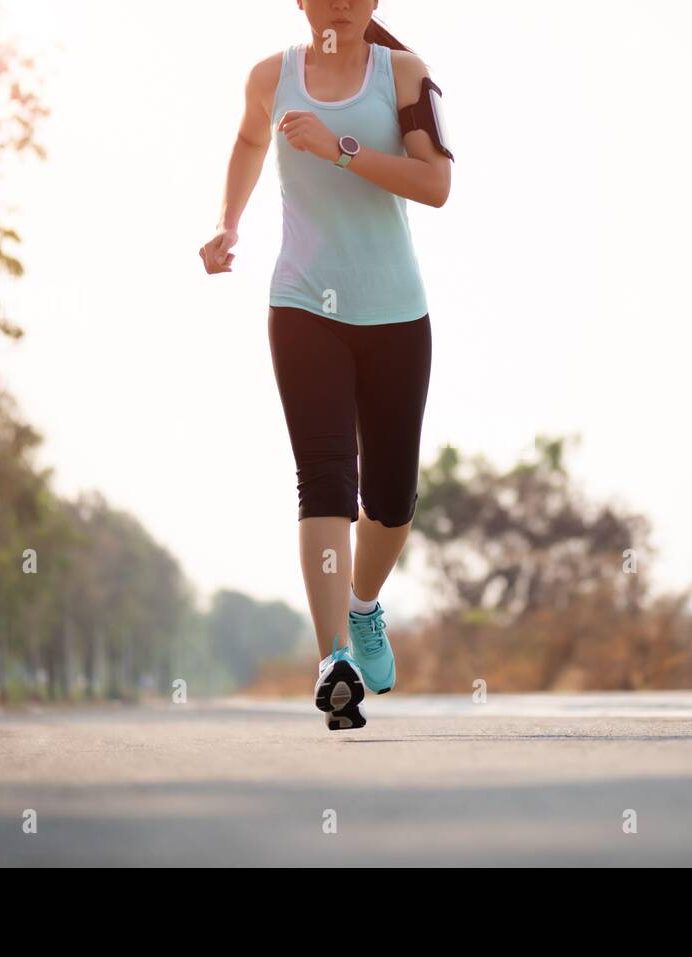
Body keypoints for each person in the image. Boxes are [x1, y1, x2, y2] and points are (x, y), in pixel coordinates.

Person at [199, 1, 452, 730]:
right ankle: (334, 660)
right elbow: (249, 142)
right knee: (326, 481)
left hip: (395, 312)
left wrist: (340, 148)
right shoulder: (269, 77)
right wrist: (226, 224)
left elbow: (435, 185)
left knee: (391, 500)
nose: (339, 1)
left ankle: (363, 606)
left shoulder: (404, 74)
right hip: (304, 304)